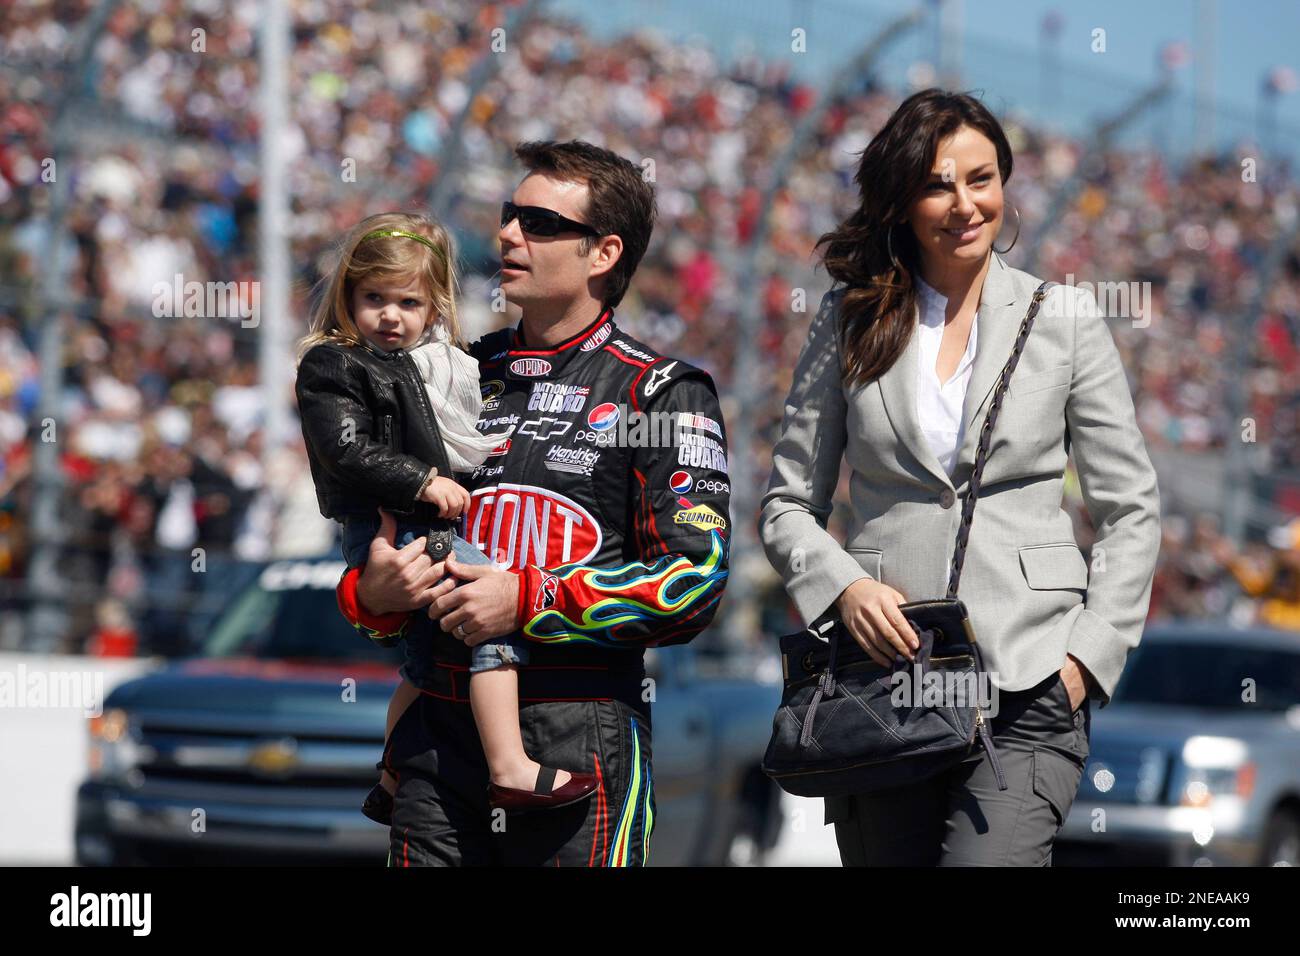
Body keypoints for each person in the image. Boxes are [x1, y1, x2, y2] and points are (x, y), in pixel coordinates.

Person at [758, 89, 1162, 866]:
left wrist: (1087, 659)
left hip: (1030, 681)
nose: (965, 204)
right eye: (940, 184)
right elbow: (787, 506)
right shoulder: (847, 318)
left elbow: (1131, 510)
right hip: (885, 680)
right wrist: (844, 588)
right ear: (903, 199)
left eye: (982, 179)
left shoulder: (1066, 317)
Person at [333, 142, 732, 865]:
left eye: (540, 223)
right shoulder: (446, 373)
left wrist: (529, 598)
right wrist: (373, 596)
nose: (509, 235)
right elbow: (383, 555)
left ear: (603, 252)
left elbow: (696, 581)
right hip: (438, 727)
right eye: (510, 215)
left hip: (579, 736)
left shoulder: (662, 393)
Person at [295, 212, 597, 828]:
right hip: (395, 518)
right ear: (347, 297)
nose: (389, 315)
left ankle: (389, 771)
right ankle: (510, 766)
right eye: (373, 298)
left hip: (414, 520)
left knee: (423, 660)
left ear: (434, 305)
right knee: (490, 623)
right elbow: (347, 450)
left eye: (408, 302)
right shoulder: (339, 363)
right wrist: (424, 481)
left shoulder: (446, 362)